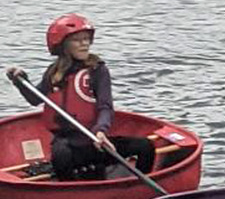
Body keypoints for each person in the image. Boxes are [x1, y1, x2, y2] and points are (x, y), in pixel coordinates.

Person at [6, 14, 155, 181]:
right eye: (78, 40)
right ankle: (68, 193)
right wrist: (20, 81)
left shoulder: (98, 70)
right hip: (69, 146)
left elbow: (105, 107)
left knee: (145, 146)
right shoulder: (54, 72)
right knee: (61, 154)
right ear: (63, 45)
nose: (85, 44)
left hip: (95, 143)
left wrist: (100, 130)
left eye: (87, 39)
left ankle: (138, 187)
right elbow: (35, 99)